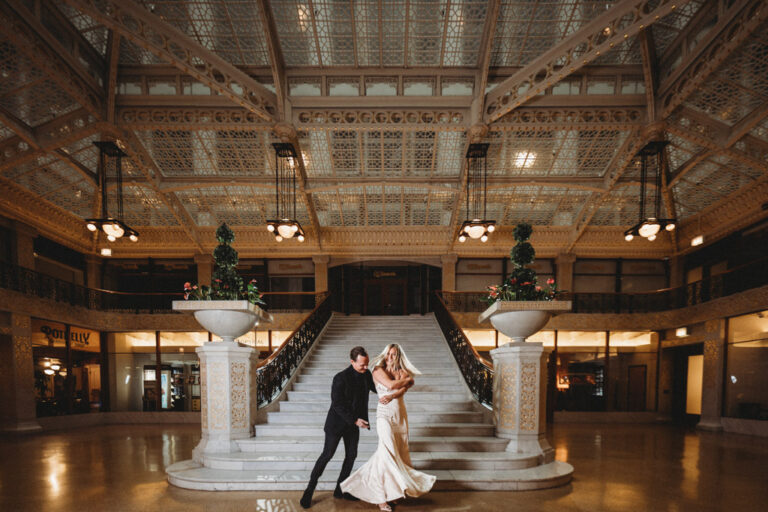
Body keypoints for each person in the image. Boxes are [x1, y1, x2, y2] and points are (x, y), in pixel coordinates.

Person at [341, 344, 436, 512]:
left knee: (399, 453)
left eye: (394, 354)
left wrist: (395, 392)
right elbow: (392, 385)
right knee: (386, 453)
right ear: (385, 355)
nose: (391, 357)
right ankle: (380, 498)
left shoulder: (402, 372)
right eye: (389, 354)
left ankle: (393, 492)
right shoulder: (378, 369)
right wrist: (404, 383)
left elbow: (402, 389)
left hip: (399, 414)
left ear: (398, 356)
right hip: (384, 415)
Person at [300, 346, 381, 509]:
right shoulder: (340, 378)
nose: (365, 368)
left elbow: (376, 388)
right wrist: (355, 420)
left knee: (351, 456)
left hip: (353, 425)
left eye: (367, 364)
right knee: (327, 455)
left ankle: (340, 489)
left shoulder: (366, 374)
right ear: (352, 362)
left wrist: (387, 377)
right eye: (362, 365)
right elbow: (337, 404)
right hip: (336, 425)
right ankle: (309, 491)